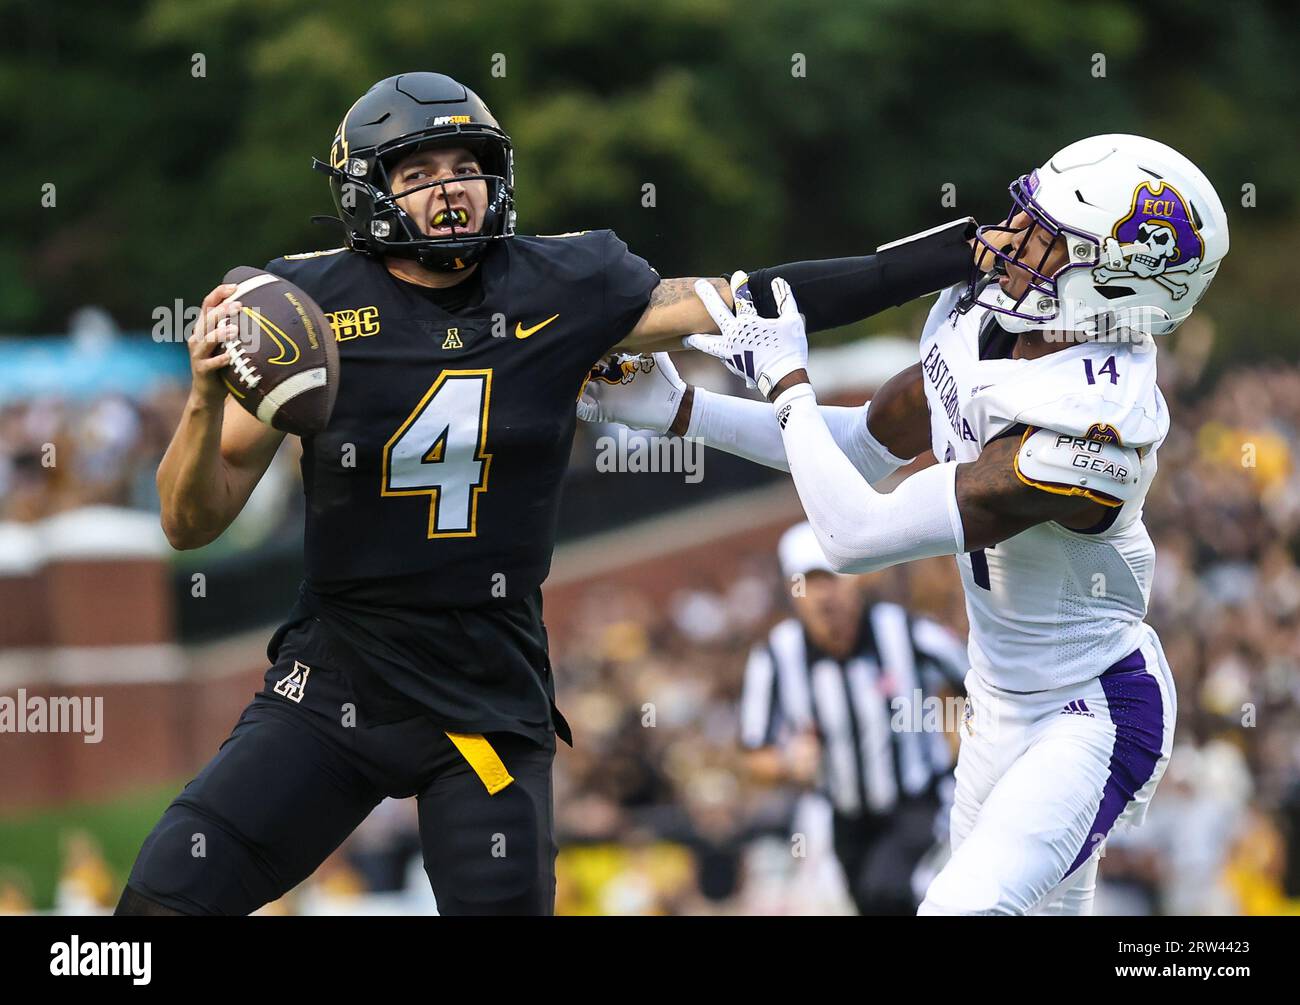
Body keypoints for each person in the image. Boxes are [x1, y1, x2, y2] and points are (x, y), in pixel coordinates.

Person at [115, 71, 979, 917]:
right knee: (160, 900)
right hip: (339, 675)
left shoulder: (567, 283)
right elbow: (190, 521)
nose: (449, 191)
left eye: (464, 166)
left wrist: (953, 254)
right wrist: (201, 400)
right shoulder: (305, 302)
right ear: (369, 193)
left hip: (484, 702)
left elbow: (753, 298)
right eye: (417, 175)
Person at [584, 134, 1229, 915]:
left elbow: (854, 536)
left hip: (1092, 707)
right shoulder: (989, 327)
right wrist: (683, 409)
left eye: (1048, 239)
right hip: (998, 700)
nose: (1012, 242)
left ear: (1120, 284)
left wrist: (787, 379)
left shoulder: (1093, 425)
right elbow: (855, 451)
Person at [740, 522, 966, 914]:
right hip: (843, 817)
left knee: (894, 893)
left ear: (855, 581)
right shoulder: (776, 657)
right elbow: (753, 754)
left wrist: (964, 745)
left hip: (918, 802)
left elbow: (979, 686)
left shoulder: (906, 632)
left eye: (832, 579)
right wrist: (790, 762)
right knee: (866, 901)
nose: (825, 596)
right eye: (810, 583)